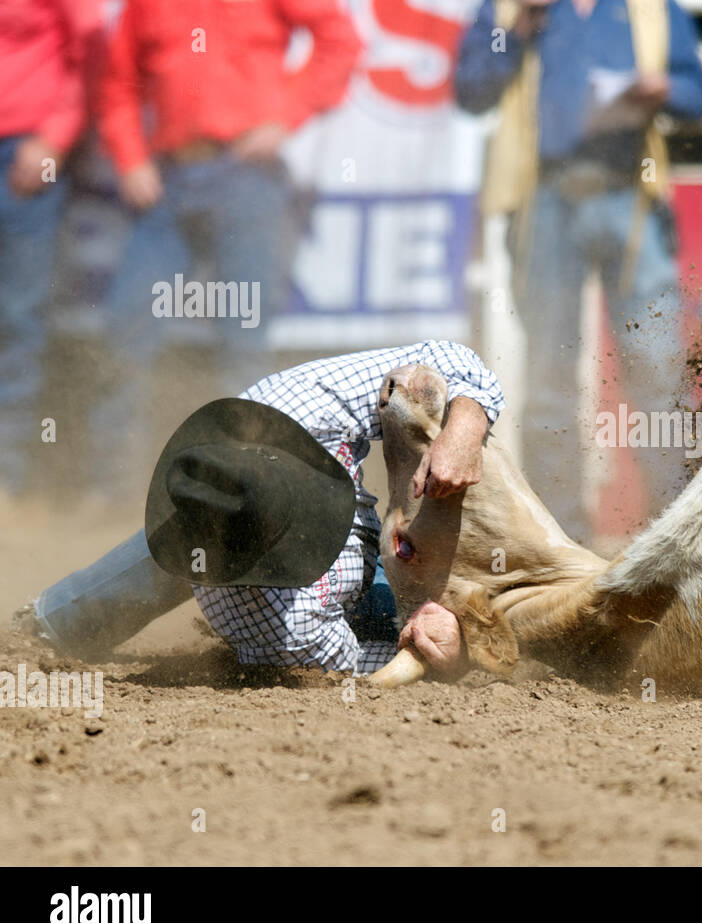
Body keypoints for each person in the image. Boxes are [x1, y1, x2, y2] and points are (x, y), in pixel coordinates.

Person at [18, 340, 505, 677]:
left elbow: (447, 359)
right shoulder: (279, 623)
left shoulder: (290, 407)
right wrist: (438, 644)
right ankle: (54, 624)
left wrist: (464, 428)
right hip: (331, 593)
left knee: (203, 517)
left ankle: (53, 624)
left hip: (304, 528)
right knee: (393, 612)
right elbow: (356, 662)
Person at [455, 0, 702, 543]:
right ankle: (561, 540)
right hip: (543, 199)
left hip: (630, 198)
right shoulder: (509, 8)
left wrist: (662, 89)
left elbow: (701, 92)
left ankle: (678, 535)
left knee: (659, 368)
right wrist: (521, 26)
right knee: (550, 377)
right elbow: (469, 89)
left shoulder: (649, 8)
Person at [92, 0, 362, 493]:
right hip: (169, 179)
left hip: (247, 178)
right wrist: (130, 157)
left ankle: (246, 492)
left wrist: (287, 112)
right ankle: (111, 491)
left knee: (242, 341)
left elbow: (340, 40)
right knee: (126, 325)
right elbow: (116, 82)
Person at [0, 0, 100, 498]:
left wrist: (54, 137)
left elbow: (92, 51)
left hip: (21, 154)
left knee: (18, 317)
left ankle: (7, 481)